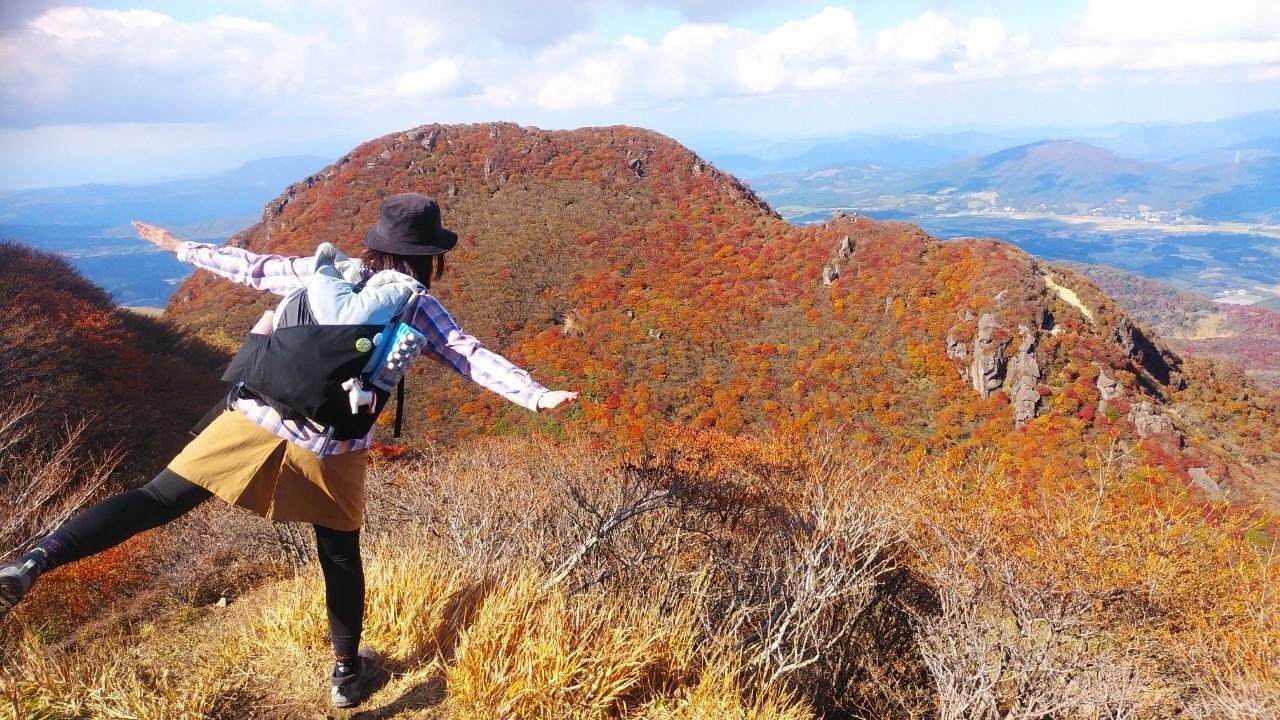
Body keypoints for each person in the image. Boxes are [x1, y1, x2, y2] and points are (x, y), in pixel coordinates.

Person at [0, 192, 577, 709]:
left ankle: (36, 560)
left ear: (374, 244)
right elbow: (465, 353)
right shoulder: (413, 302)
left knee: (153, 498)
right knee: (340, 555)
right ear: (430, 256)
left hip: (254, 418)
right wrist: (535, 394)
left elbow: (249, 267)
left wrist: (179, 247)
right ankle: (348, 676)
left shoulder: (318, 272)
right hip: (332, 444)